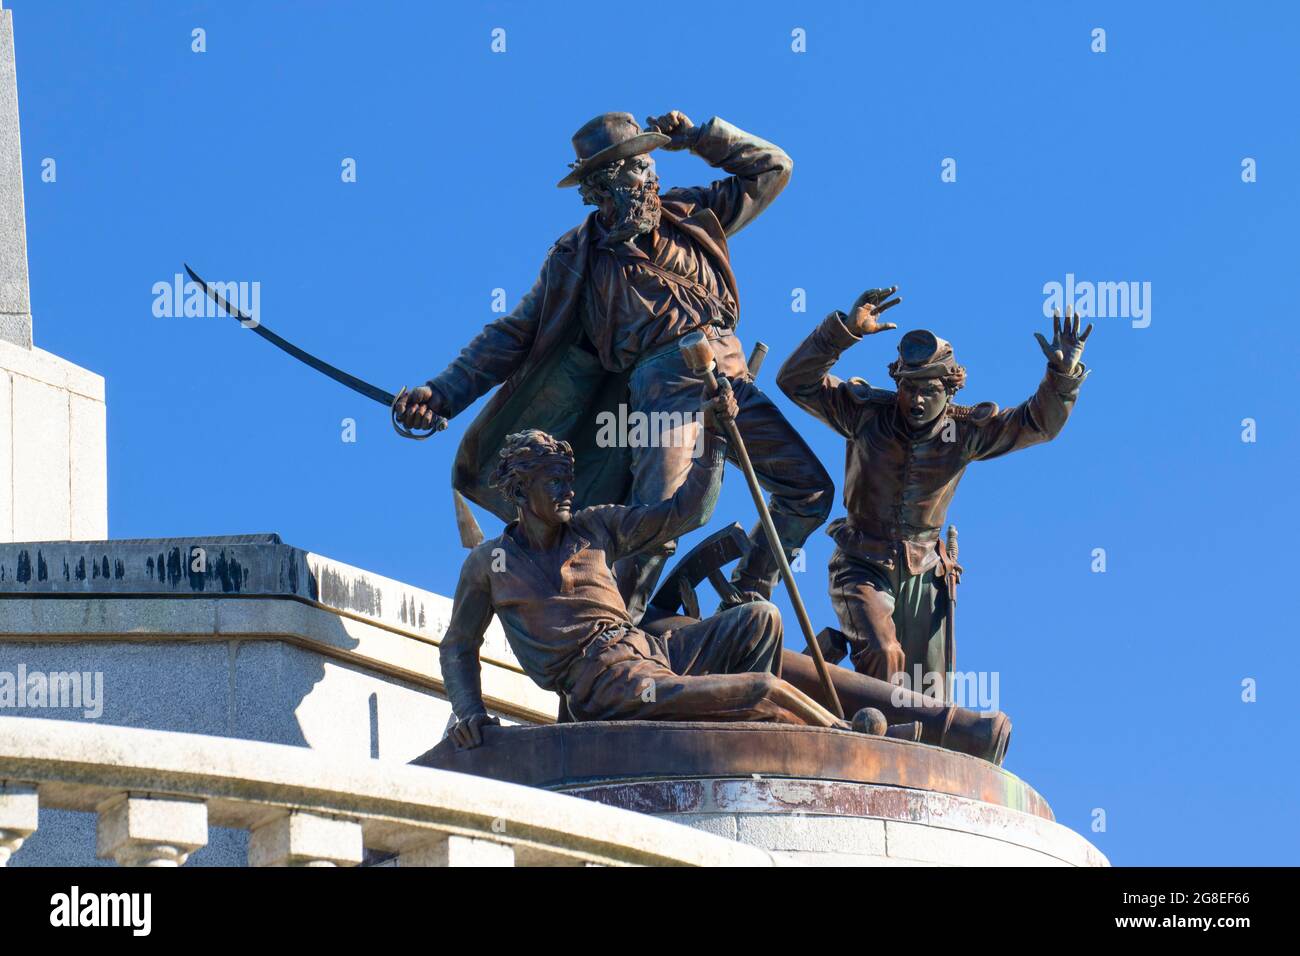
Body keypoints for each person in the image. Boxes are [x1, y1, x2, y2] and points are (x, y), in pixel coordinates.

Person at [395, 110, 833, 621]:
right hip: (663, 395)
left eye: (649, 170)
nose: (650, 181)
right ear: (601, 189)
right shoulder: (577, 259)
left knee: (808, 489)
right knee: (656, 524)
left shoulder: (693, 213)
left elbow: (774, 168)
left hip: (730, 384)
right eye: (633, 175)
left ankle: (753, 584)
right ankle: (618, 635)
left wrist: (697, 138)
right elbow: (512, 335)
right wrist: (442, 393)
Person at [438, 379, 847, 749]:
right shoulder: (489, 565)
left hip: (651, 651)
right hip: (605, 682)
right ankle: (841, 736)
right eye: (554, 482)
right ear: (522, 489)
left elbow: (685, 513)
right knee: (761, 689)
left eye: (569, 479)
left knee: (761, 618)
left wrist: (711, 434)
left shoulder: (593, 527)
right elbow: (458, 644)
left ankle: (743, 737)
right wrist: (469, 712)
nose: (568, 491)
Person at [777, 286, 1092, 695]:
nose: (917, 399)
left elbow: (1037, 424)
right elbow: (794, 381)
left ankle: (886, 734)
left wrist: (1061, 378)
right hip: (862, 562)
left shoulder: (963, 433)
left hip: (925, 574)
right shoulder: (866, 414)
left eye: (930, 389)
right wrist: (842, 332)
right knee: (884, 655)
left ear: (950, 389)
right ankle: (865, 732)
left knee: (928, 696)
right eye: (910, 388)